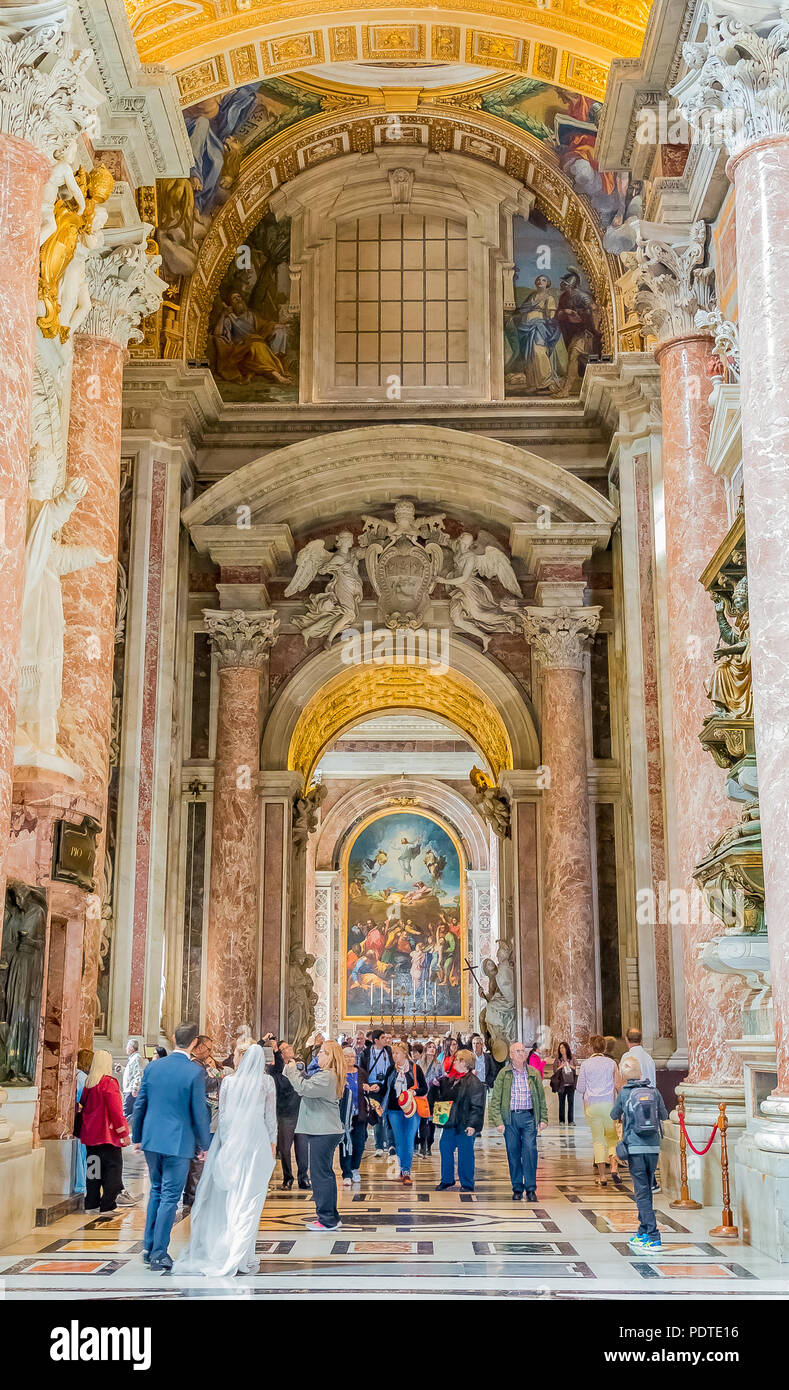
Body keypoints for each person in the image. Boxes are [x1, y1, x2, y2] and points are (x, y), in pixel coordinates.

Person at [176, 1040, 277, 1276]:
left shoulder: (229, 1082)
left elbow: (223, 1117)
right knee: (251, 1199)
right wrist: (272, 1144)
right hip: (257, 1142)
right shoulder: (266, 1082)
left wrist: (224, 1143)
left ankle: (232, 1248)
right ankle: (243, 1255)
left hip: (233, 1142)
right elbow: (271, 1117)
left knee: (232, 1197)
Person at [132, 1020, 211, 1272]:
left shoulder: (154, 1067)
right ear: (195, 1043)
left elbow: (140, 1104)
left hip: (152, 1139)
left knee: (156, 1190)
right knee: (169, 1196)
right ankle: (158, 1253)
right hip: (178, 1141)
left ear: (175, 1039)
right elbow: (199, 1112)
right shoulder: (194, 1072)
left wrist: (137, 1136)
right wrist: (204, 1144)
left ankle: (148, 1246)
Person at [284, 1039, 346, 1231]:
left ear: (329, 1057)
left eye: (321, 1053)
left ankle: (326, 1219)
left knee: (320, 1175)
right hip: (323, 1129)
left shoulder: (327, 1076)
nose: (317, 1056)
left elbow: (303, 1088)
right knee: (324, 1173)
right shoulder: (325, 1075)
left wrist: (293, 1070)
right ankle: (331, 1217)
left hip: (324, 1130)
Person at [611, 1053, 668, 1254]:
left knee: (641, 1191)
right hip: (653, 1148)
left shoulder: (625, 1093)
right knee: (646, 1189)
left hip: (634, 1148)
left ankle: (653, 1236)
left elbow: (613, 1114)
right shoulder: (654, 1091)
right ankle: (643, 1231)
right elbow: (664, 1115)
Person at [489, 1039, 548, 1201]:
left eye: (523, 1051)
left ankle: (530, 1188)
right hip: (510, 1118)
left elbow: (541, 1098)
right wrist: (498, 1121)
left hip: (529, 1117)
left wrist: (543, 1118)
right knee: (513, 1153)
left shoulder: (533, 1073)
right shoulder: (504, 1074)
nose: (522, 1053)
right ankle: (517, 1187)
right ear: (511, 1055)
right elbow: (496, 1099)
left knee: (530, 1151)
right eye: (518, 1051)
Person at [80, 1050, 130, 1213]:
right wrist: (123, 1133)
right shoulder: (108, 1082)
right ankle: (108, 1203)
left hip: (90, 1135)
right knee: (112, 1170)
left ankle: (92, 1202)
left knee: (93, 1171)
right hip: (107, 1136)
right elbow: (116, 1111)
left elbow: (83, 1105)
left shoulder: (89, 1082)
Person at [436, 1048, 486, 1191]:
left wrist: (472, 1125)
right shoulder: (453, 1079)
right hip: (451, 1123)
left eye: (457, 1059)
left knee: (465, 1153)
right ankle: (447, 1179)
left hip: (465, 1124)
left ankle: (467, 1183)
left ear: (464, 1063)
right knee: (445, 1147)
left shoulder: (474, 1082)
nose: (454, 1061)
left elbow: (477, 1106)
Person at [576, 1034, 623, 1187]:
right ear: (604, 1048)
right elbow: (618, 1085)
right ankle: (614, 1166)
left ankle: (602, 1176)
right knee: (611, 1137)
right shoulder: (611, 1063)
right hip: (609, 1105)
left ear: (591, 1047)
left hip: (593, 1106)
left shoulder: (586, 1065)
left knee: (598, 1140)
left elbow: (580, 1088)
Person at [182, 1035, 222, 1210]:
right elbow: (207, 1084)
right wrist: (224, 1080)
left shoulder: (199, 1065)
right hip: (197, 1119)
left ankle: (193, 1193)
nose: (210, 1052)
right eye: (208, 1048)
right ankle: (192, 1195)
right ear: (197, 1048)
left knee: (197, 1160)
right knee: (197, 1160)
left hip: (198, 1118)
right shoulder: (196, 1065)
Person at [382, 1042, 427, 1187]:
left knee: (408, 1139)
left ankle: (406, 1170)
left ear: (404, 1053)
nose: (394, 1056)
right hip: (394, 1110)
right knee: (400, 1140)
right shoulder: (391, 1069)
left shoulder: (415, 1068)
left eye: (397, 1053)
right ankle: (402, 1169)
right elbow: (385, 1088)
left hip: (411, 1110)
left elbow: (424, 1088)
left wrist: (413, 1092)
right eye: (393, 1053)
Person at [270, 1041, 310, 1190]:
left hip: (300, 1111)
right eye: (286, 1048)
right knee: (285, 1148)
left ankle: (303, 1178)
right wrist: (275, 1051)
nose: (290, 1048)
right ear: (280, 1053)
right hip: (285, 1113)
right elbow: (278, 1075)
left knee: (302, 1147)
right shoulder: (276, 1071)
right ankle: (288, 1178)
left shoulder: (299, 1065)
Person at [360, 1028, 393, 1156]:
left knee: (389, 1116)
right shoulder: (366, 1053)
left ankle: (391, 1144)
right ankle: (379, 1145)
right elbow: (362, 1071)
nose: (386, 1040)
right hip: (373, 1086)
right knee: (377, 1116)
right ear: (376, 1040)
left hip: (387, 1086)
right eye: (384, 1038)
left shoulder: (389, 1051)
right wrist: (366, 1085)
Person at [339, 1046, 369, 1186]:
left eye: (352, 1056)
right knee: (345, 1144)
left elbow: (367, 1088)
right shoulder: (339, 1073)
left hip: (360, 1113)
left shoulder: (361, 1072)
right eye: (347, 1057)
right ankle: (346, 1173)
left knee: (359, 1143)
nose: (350, 1059)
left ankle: (355, 1168)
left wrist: (370, 1088)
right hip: (344, 1115)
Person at [73, 1047, 93, 1197]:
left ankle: (83, 1185)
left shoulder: (77, 1076)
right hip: (85, 1121)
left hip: (79, 1121)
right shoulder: (84, 1079)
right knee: (86, 1156)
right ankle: (84, 1185)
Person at [419, 1040, 443, 1156]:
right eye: (430, 1047)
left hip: (433, 1095)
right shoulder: (419, 1063)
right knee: (423, 1121)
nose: (432, 1049)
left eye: (434, 1047)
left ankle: (429, 1144)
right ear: (426, 1049)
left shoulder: (438, 1064)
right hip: (422, 1095)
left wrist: (438, 1081)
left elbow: (442, 1077)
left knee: (431, 1121)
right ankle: (422, 1144)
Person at [550, 1042, 577, 1125]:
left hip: (570, 1084)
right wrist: (561, 1066)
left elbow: (576, 1068)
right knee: (561, 1103)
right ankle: (561, 1120)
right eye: (560, 1048)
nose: (561, 1049)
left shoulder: (572, 1058)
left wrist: (568, 1065)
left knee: (571, 1102)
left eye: (563, 1047)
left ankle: (571, 1120)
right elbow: (555, 1071)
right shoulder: (558, 1060)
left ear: (567, 1048)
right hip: (561, 1084)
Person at [121, 1038, 143, 1121]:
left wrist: (135, 1089)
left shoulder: (136, 1058)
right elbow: (131, 1074)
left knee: (126, 1113)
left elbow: (138, 1074)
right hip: (128, 1090)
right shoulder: (133, 1058)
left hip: (131, 1091)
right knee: (127, 1113)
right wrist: (122, 1069)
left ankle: (124, 1132)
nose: (126, 1049)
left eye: (127, 1046)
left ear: (131, 1048)